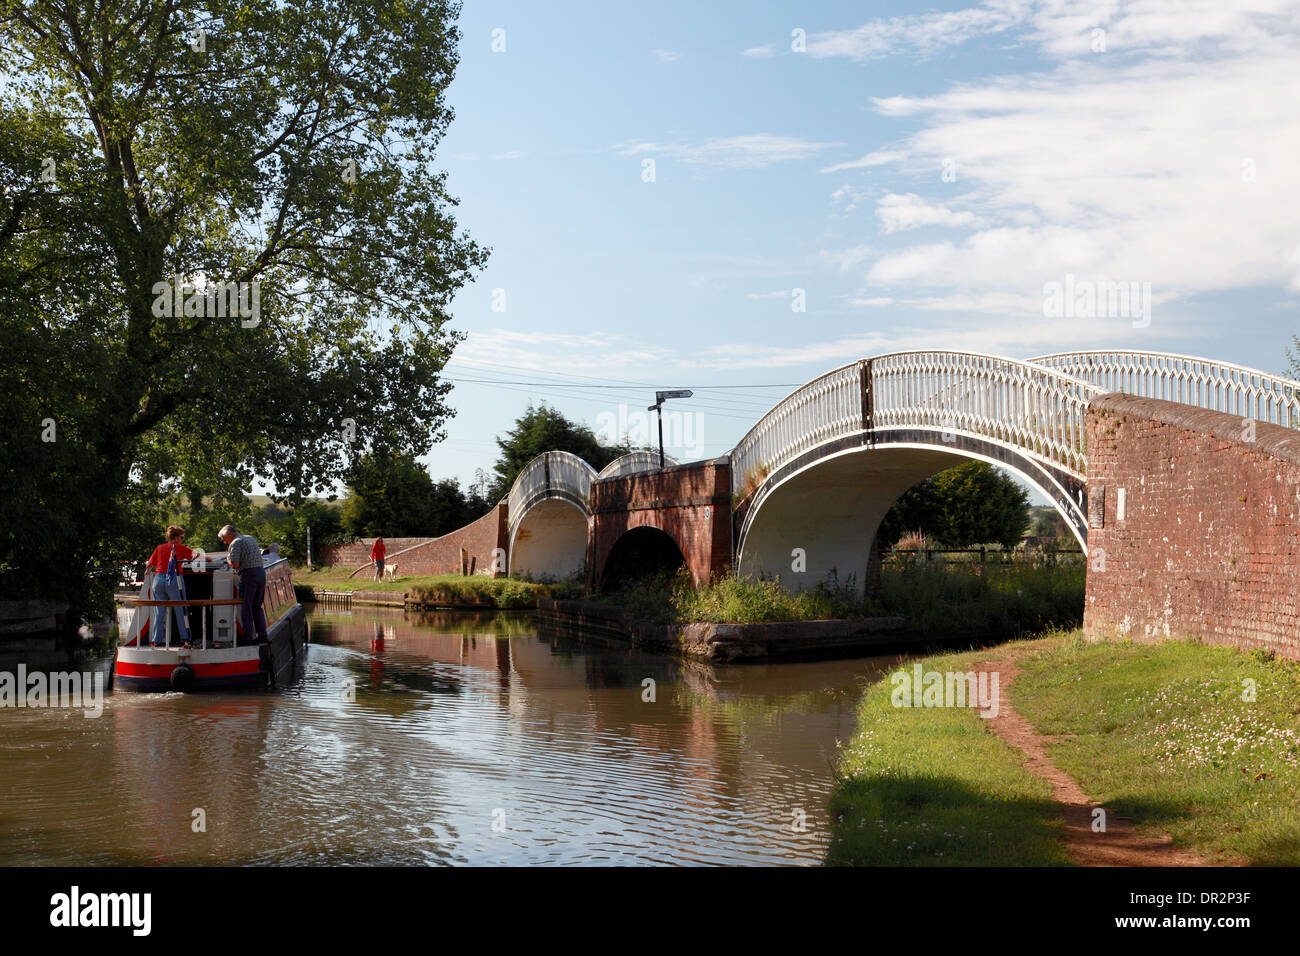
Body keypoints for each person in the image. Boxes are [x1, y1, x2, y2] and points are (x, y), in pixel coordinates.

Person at [219, 524, 268, 645]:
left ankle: (247, 637)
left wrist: (228, 559)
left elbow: (235, 565)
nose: (225, 542)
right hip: (261, 573)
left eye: (224, 539)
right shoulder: (250, 538)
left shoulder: (236, 542)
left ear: (230, 534)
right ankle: (262, 635)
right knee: (257, 607)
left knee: (246, 607)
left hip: (249, 575)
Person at [145, 526, 195, 646]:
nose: (182, 539)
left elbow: (150, 564)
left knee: (159, 612)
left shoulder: (159, 548)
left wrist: (147, 571)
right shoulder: (179, 547)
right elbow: (194, 556)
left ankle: (156, 641)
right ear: (177, 538)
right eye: (181, 537)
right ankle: (185, 639)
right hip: (173, 580)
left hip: (158, 580)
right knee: (180, 609)